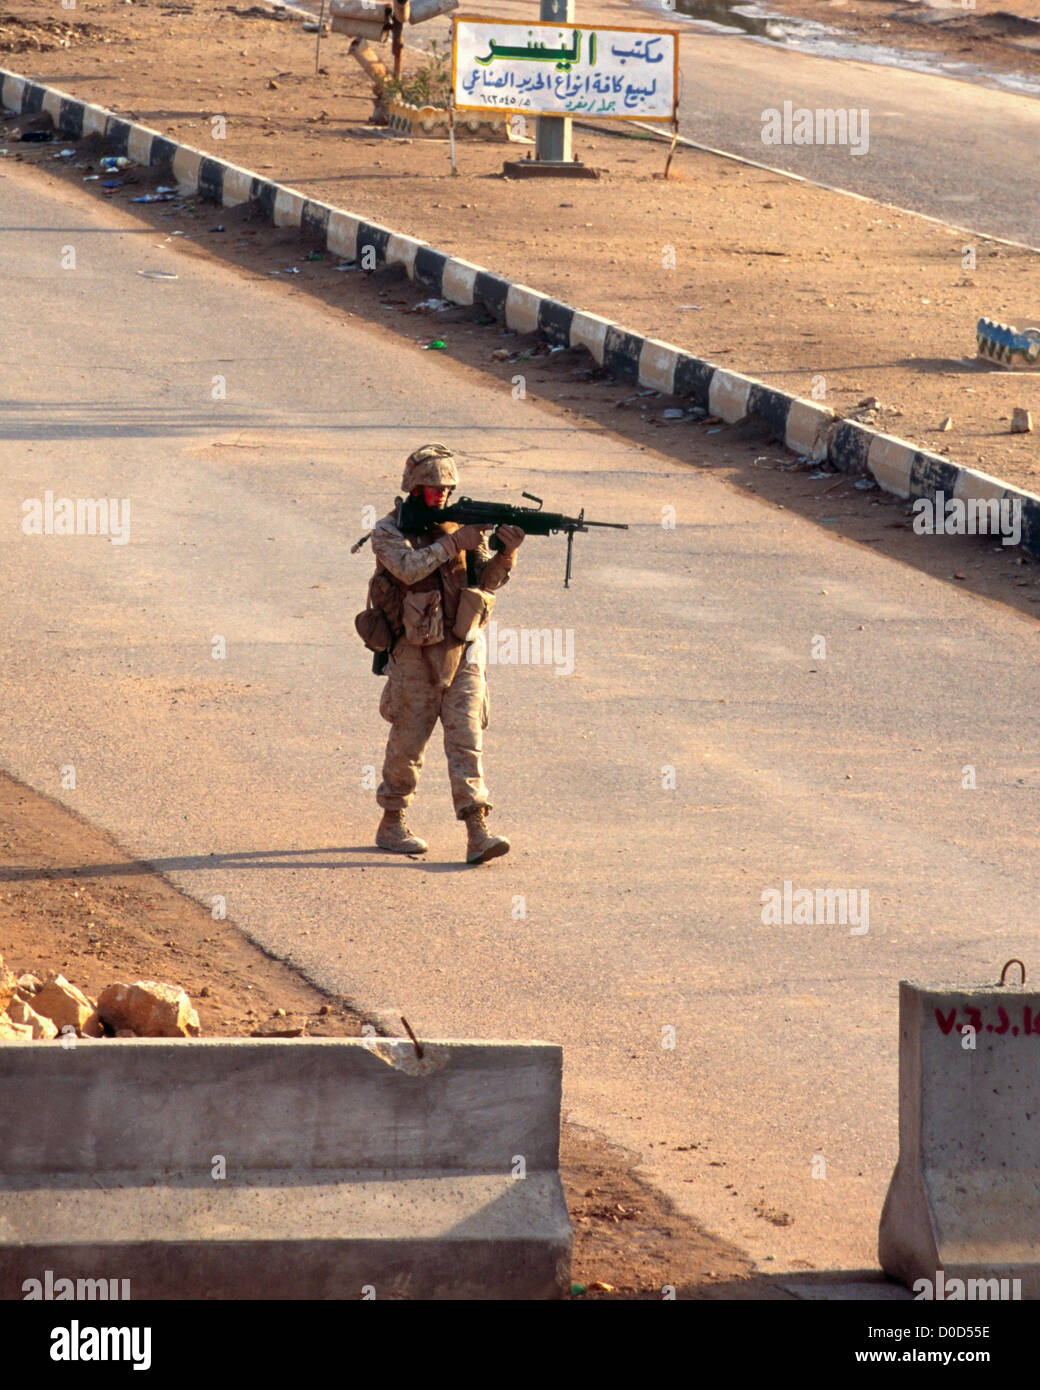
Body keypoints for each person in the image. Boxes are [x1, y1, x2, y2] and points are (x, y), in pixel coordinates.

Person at [368, 443, 524, 863]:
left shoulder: (460, 529)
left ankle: (478, 832)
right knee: (407, 744)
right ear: (414, 489)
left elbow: (487, 582)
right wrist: (453, 544)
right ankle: (392, 821)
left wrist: (506, 553)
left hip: (463, 650)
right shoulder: (387, 531)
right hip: (413, 657)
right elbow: (407, 568)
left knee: (467, 741)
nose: (441, 496)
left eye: (446, 490)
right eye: (432, 489)